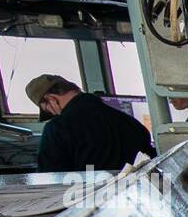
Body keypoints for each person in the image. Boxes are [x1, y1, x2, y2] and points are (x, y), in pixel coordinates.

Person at [25, 74, 155, 173]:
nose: (53, 115)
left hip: (87, 204)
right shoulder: (132, 124)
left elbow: (50, 179)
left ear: (51, 99)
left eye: (47, 110)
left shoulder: (58, 128)